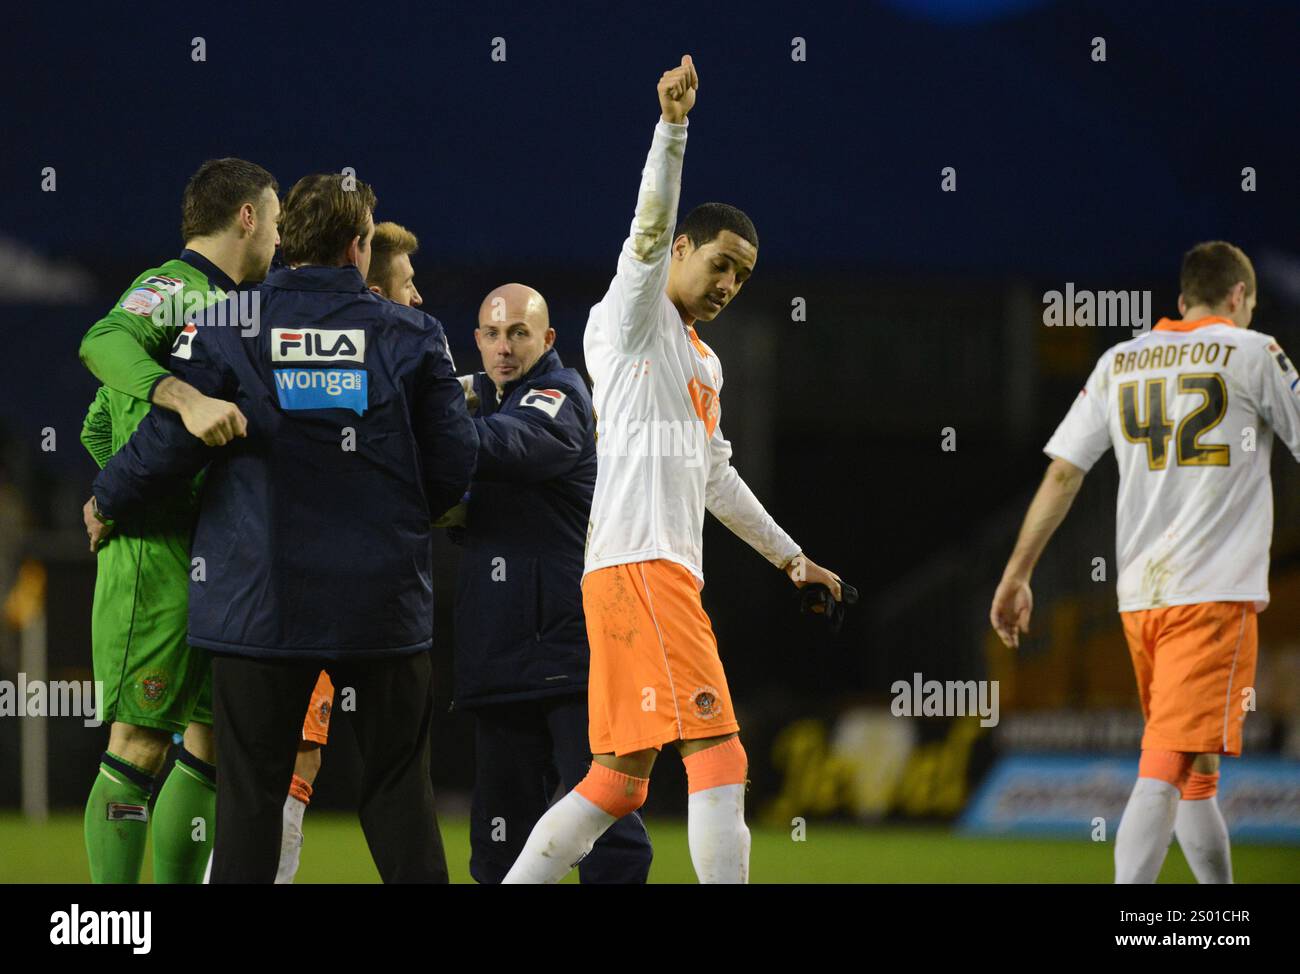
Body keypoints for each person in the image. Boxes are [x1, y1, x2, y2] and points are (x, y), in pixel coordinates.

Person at [503, 56, 844, 885]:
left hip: (641, 573)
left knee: (617, 782)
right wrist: (673, 129)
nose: (728, 283)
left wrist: (791, 557)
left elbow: (716, 476)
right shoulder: (632, 318)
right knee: (720, 754)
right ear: (684, 250)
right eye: (720, 262)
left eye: (743, 276)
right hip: (644, 567)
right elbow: (647, 230)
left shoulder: (701, 362)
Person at [87, 173, 478, 883]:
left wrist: (107, 496)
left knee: (250, 799)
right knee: (398, 794)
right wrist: (388, 519)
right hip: (380, 609)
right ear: (360, 249)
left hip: (258, 607)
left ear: (288, 238)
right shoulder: (413, 334)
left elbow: (168, 443)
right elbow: (455, 468)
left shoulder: (228, 324)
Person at [990, 241, 1300, 884]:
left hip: (1139, 602)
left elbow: (1064, 475)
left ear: (1182, 300)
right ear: (1240, 297)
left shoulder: (1119, 361)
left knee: (1195, 773)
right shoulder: (1254, 351)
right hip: (1212, 596)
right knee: (1164, 764)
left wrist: (1018, 572)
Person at [77, 157, 277, 883]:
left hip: (212, 557)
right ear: (246, 217)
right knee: (137, 744)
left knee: (211, 741)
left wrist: (108, 477)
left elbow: (99, 426)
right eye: (276, 220)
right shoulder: (177, 286)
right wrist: (183, 403)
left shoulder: (234, 310)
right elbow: (101, 343)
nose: (281, 239)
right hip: (155, 555)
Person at [454, 283, 654, 883]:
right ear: (478, 341)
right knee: (499, 836)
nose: (504, 346)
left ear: (548, 339)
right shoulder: (482, 403)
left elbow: (513, 445)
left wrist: (425, 420)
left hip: (569, 651)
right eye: (492, 334)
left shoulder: (558, 395)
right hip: (500, 652)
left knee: (608, 820)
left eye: (519, 332)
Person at [272, 220, 427, 884]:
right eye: (408, 283)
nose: (416, 298)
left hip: (288, 592)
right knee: (289, 766)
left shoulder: (275, 336)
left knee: (280, 765)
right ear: (369, 284)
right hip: (326, 599)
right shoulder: (388, 359)